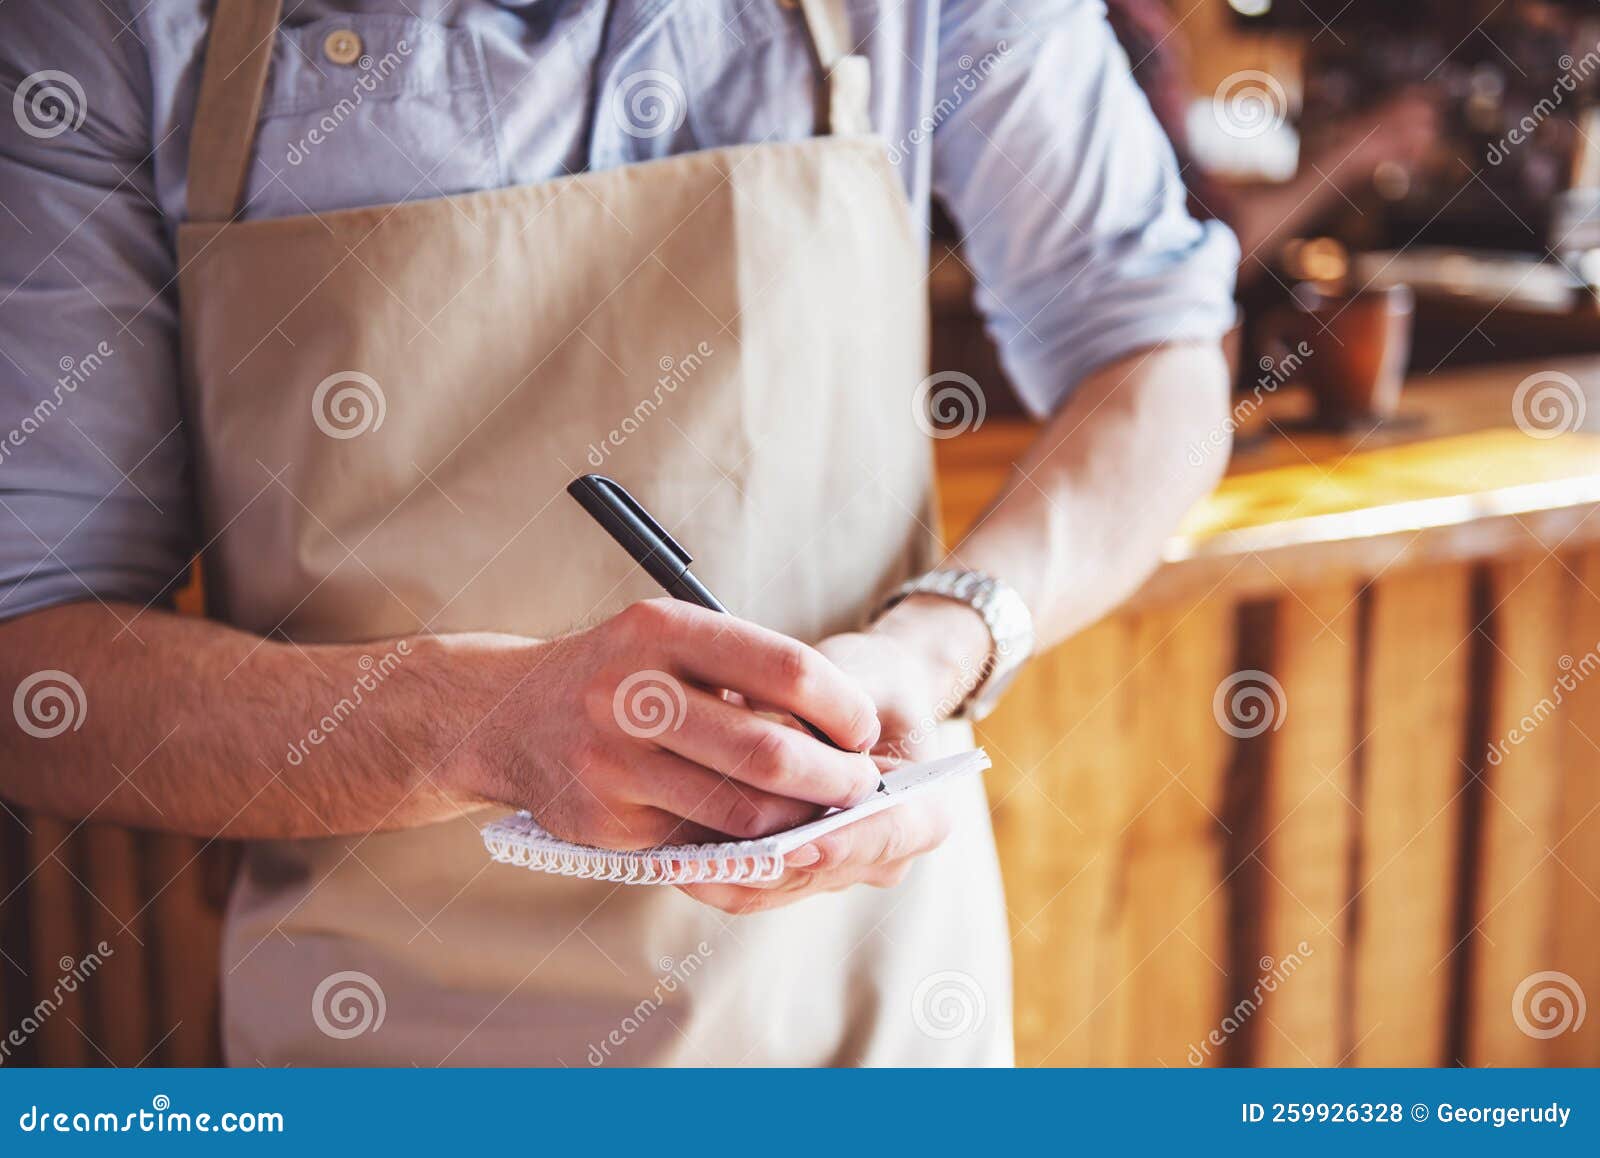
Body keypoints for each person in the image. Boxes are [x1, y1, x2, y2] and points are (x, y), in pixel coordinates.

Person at [0, 0, 1236, 1066]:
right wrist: (475, 727)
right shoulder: (101, 31)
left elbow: (1160, 363)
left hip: (881, 1033)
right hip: (394, 1058)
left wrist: (942, 640)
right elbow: (31, 661)